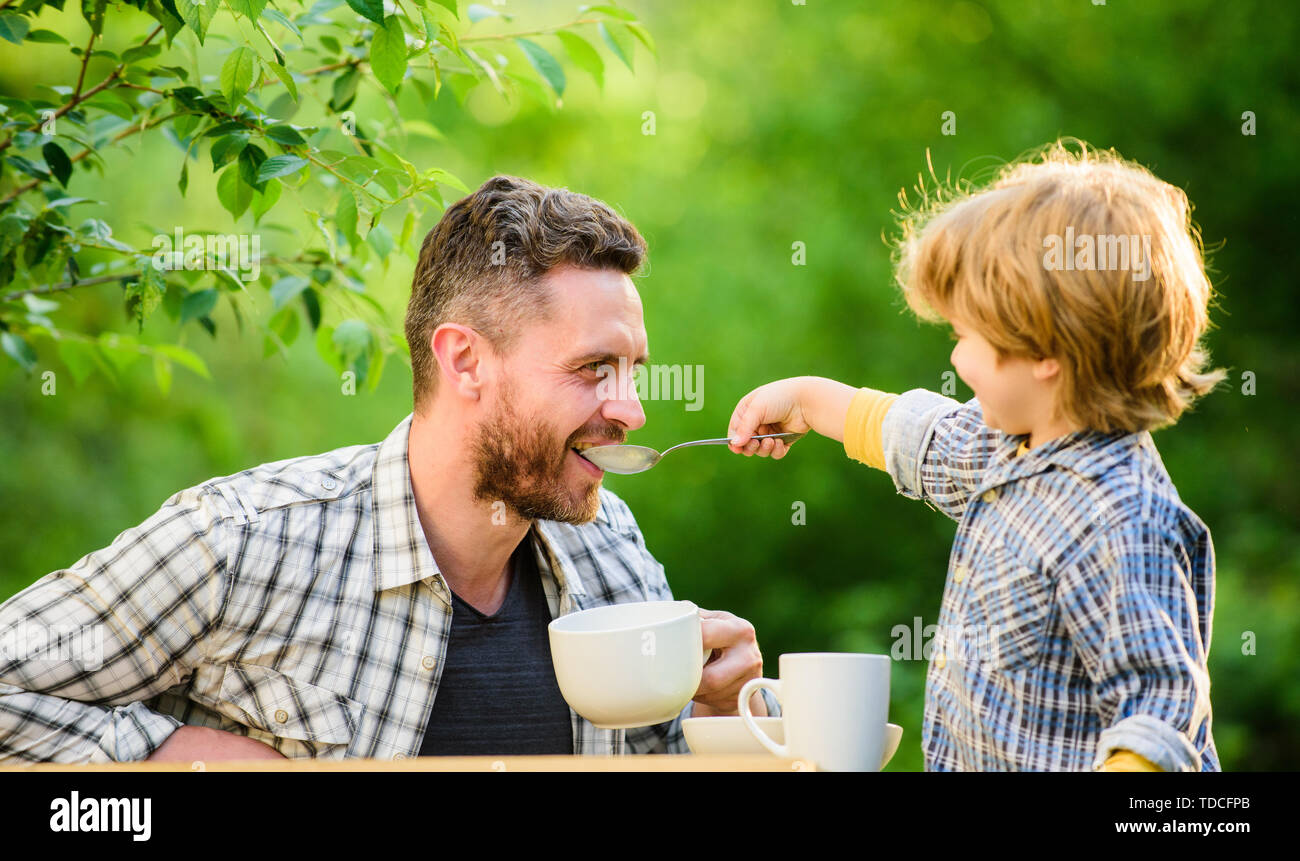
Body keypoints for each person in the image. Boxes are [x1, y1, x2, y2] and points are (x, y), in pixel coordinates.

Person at [0, 175, 773, 764]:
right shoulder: (244, 541)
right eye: (594, 368)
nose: (632, 409)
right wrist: (197, 762)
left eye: (634, 369)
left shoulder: (612, 553)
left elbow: (658, 763)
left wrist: (719, 722)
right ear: (465, 360)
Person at [725, 142, 1222, 771]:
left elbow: (1158, 716)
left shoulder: (1122, 519)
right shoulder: (1011, 448)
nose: (956, 360)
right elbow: (918, 436)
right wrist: (806, 399)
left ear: (1046, 352)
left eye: (966, 337)